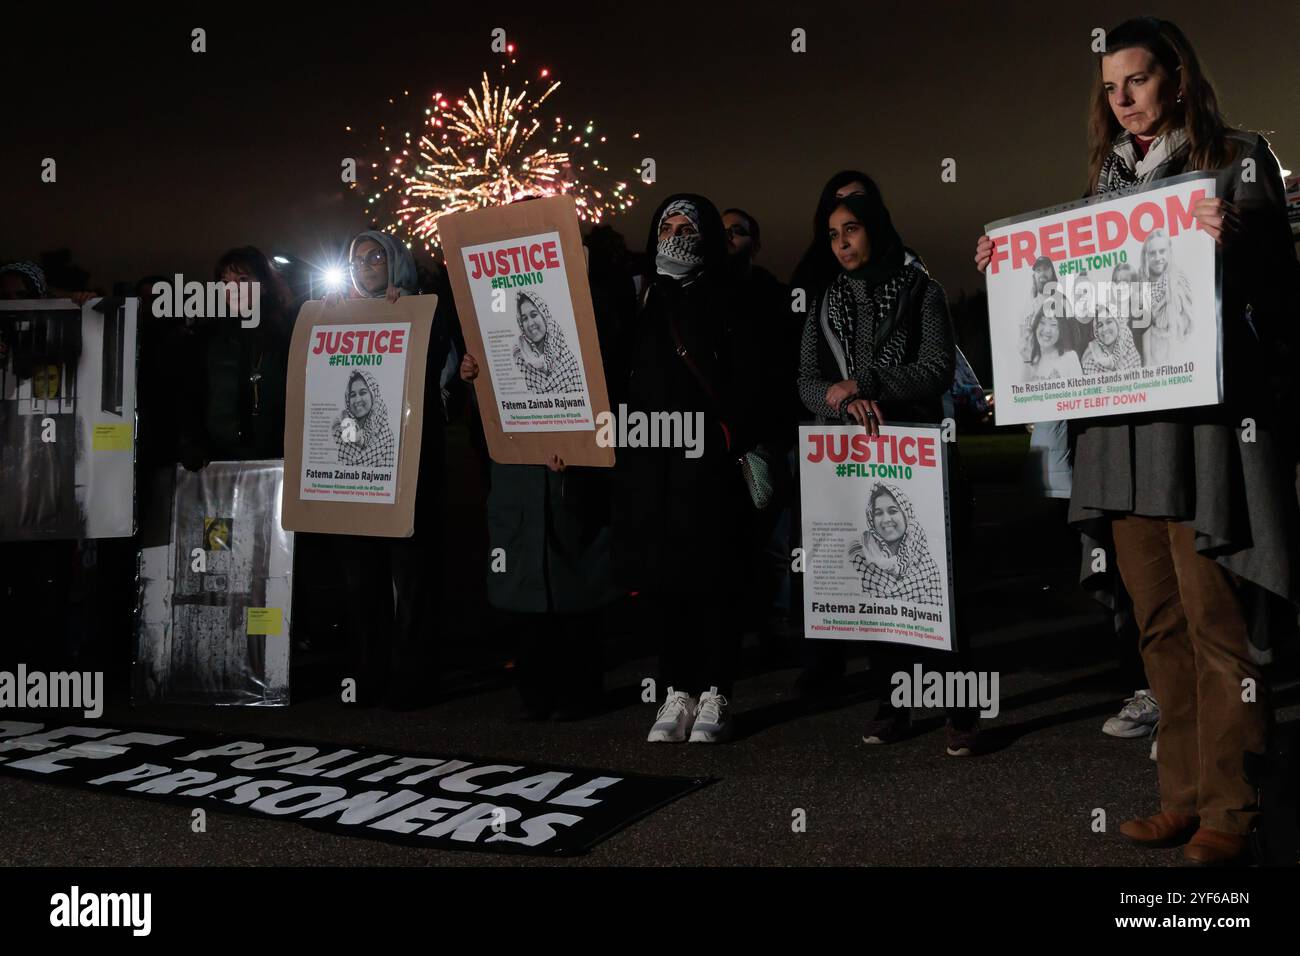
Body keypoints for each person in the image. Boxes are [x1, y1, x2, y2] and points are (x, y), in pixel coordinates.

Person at [975, 16, 1299, 865]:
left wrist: (1243, 244)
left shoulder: (1236, 159)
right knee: (1156, 624)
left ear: (1177, 79)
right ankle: (1181, 798)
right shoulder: (1102, 186)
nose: (1122, 100)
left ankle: (1235, 806)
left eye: (1138, 81)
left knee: (1215, 621)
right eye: (1110, 87)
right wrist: (1008, 268)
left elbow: (1282, 299)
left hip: (1202, 436)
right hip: (1120, 437)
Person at [798, 184, 982, 756]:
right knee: (875, 588)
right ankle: (892, 703)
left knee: (935, 583)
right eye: (832, 234)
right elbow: (806, 379)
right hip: (856, 457)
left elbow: (934, 368)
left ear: (875, 228)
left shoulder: (920, 291)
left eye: (850, 229)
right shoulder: (826, 303)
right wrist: (840, 398)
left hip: (916, 452)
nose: (841, 243)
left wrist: (871, 385)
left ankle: (961, 708)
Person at [614, 193, 778, 744]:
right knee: (669, 582)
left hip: (708, 463)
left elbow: (754, 378)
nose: (677, 236)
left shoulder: (732, 297)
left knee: (716, 579)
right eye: (668, 226)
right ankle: (675, 689)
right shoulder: (644, 298)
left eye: (688, 226)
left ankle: (716, 691)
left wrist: (727, 433)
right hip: (653, 464)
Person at [324, 230, 460, 708]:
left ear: (394, 260)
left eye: (376, 255)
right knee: (361, 580)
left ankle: (413, 680)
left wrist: (408, 315)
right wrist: (331, 315)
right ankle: (369, 675)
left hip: (410, 470)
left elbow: (445, 374)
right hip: (355, 479)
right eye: (357, 258)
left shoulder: (426, 309)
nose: (366, 265)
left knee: (412, 577)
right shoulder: (335, 314)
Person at [175, 247, 291, 469]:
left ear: (263, 286)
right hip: (217, 458)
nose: (232, 288)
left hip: (276, 455)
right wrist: (192, 442)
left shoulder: (286, 333)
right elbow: (190, 393)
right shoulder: (206, 336)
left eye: (243, 279)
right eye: (225, 280)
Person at [850, 482, 943, 605]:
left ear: (906, 515)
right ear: (871, 519)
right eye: (878, 513)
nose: (886, 520)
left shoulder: (927, 568)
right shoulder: (858, 557)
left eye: (893, 511)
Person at [1136, 229, 1194, 366]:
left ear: (1169, 252)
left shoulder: (1178, 280)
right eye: (1152, 253)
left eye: (1162, 251)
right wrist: (1147, 363)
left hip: (1177, 351)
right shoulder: (1140, 282)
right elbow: (1143, 328)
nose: (1158, 258)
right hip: (1151, 353)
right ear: (1146, 255)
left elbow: (1189, 321)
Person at [511, 290, 584, 393]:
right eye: (525, 319)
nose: (530, 323)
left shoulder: (568, 361)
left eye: (534, 315)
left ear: (544, 316)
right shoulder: (520, 361)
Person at [1081, 310, 1142, 376]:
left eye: (1109, 322)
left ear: (1117, 323)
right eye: (1099, 325)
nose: (1104, 329)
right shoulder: (1091, 358)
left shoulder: (1126, 343)